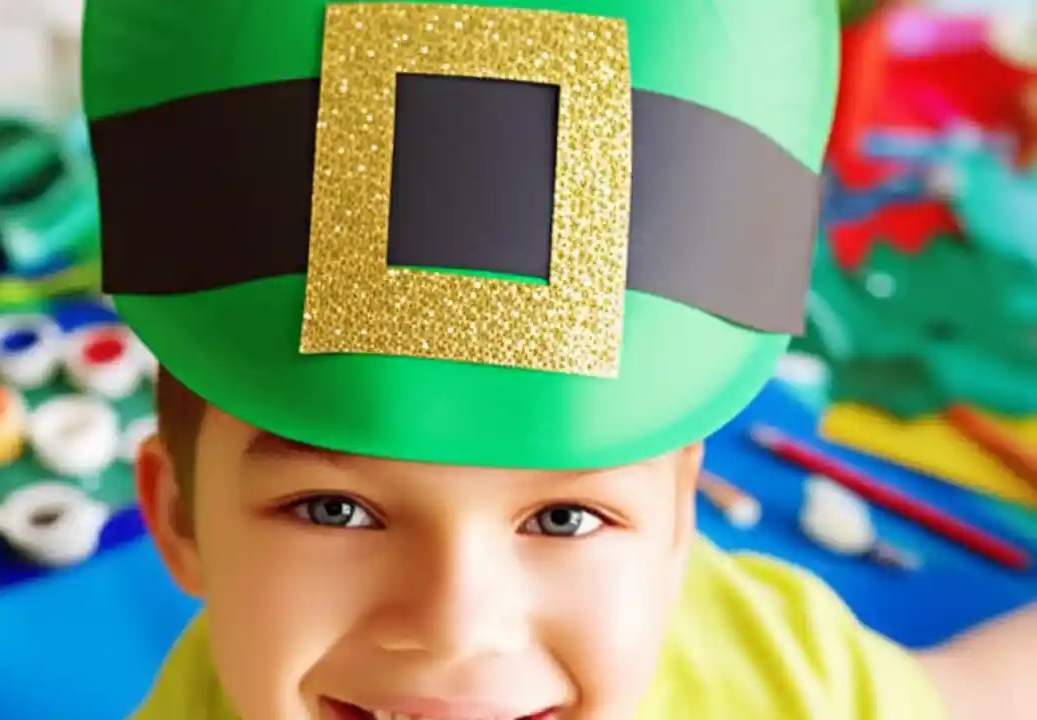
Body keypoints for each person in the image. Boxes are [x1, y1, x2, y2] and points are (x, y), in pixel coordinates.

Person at [81, 0, 1034, 717]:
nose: (455, 629)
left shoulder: (780, 673)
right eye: (335, 510)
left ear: (678, 524)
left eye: (566, 517)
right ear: (179, 518)